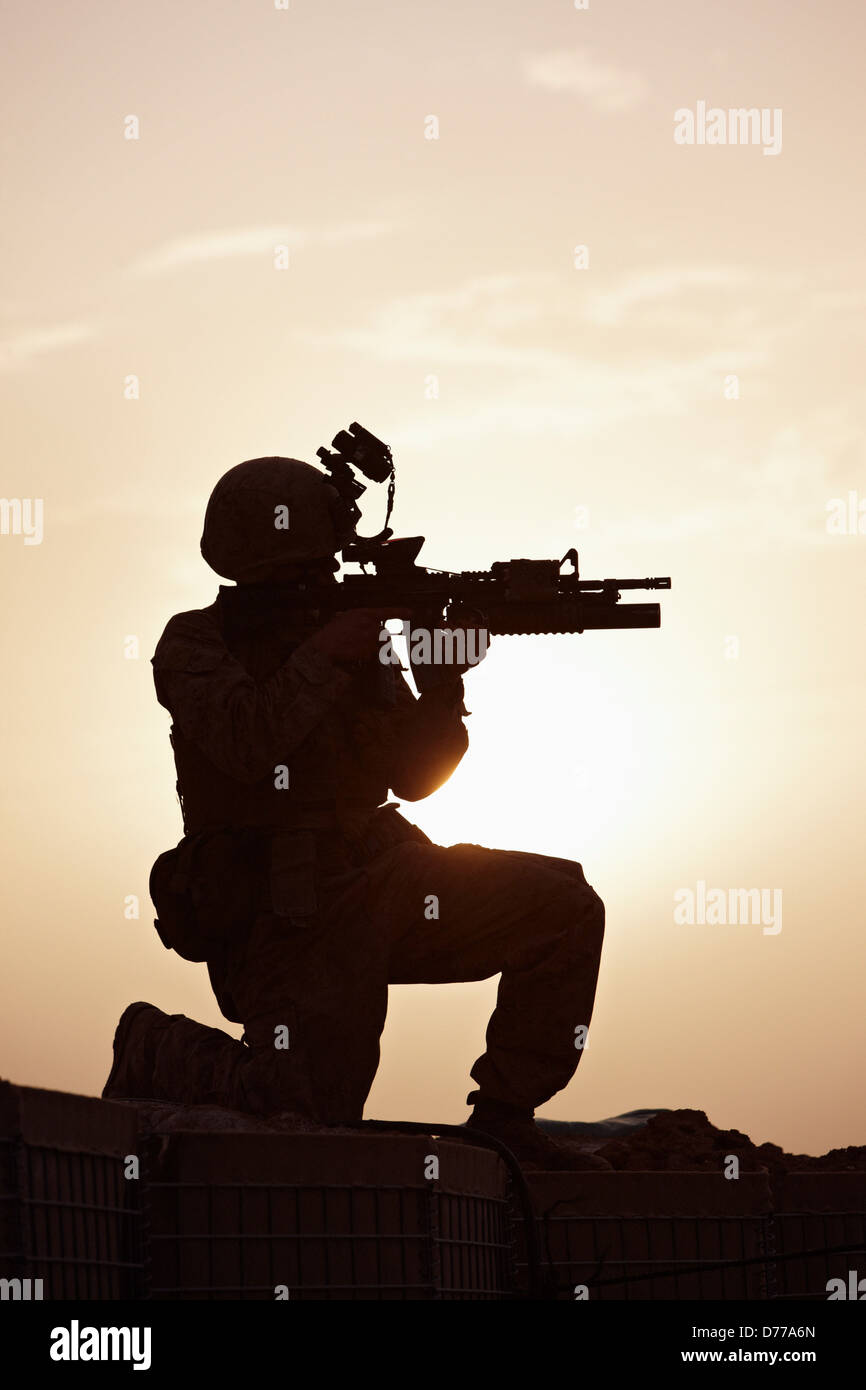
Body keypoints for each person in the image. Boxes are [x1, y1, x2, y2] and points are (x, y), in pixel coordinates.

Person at [103, 456, 607, 1168]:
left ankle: (504, 1114)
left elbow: (413, 778)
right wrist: (324, 654)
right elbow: (250, 742)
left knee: (562, 909)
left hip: (387, 872)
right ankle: (158, 1048)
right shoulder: (194, 643)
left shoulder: (351, 641)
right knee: (311, 1113)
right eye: (311, 565)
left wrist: (440, 685)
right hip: (286, 907)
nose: (326, 576)